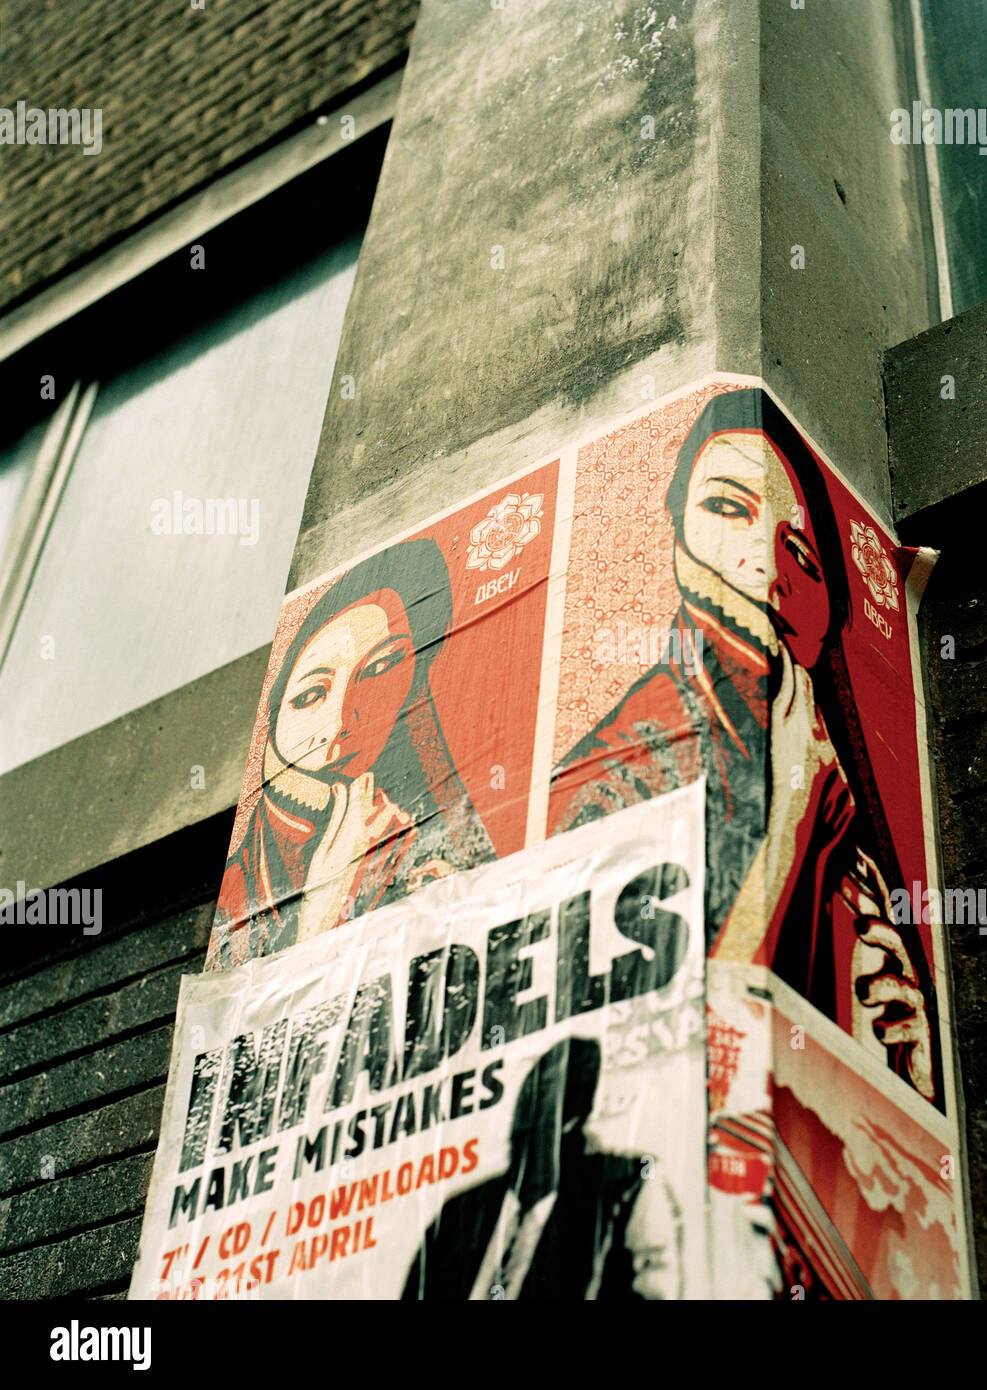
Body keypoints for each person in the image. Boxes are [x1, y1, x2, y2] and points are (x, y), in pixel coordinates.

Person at [549, 389, 941, 1106]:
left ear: (831, 627)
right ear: (676, 539)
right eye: (728, 510)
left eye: (803, 554)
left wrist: (900, 1072)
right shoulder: (615, 770)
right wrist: (791, 824)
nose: (765, 564)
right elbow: (634, 1063)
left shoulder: (856, 832)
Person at [210, 536, 495, 968]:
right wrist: (326, 911)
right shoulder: (239, 893)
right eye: (309, 696)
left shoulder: (435, 832)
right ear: (271, 725)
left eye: (380, 669)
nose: (342, 721)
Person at [401, 1038, 683, 1299]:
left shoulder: (626, 1189)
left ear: (575, 1128)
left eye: (545, 1120)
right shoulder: (460, 1213)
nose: (525, 1132)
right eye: (525, 1111)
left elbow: (654, 1289)